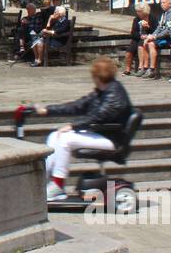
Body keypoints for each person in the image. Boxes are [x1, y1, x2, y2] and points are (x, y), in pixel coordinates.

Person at [35, 56, 133, 202]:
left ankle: (57, 185)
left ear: (97, 76)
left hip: (112, 139)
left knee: (65, 139)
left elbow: (99, 117)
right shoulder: (102, 92)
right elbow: (77, 106)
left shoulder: (115, 94)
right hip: (100, 133)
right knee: (54, 136)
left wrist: (72, 126)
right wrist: (48, 110)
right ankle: (43, 179)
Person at [140, 0, 171, 78]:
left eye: (163, 2)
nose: (161, 4)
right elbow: (159, 27)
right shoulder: (164, 13)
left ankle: (152, 69)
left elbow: (168, 30)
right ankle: (146, 68)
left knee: (151, 43)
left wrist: (155, 37)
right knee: (146, 42)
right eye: (161, 3)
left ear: (169, 4)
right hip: (164, 37)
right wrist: (152, 35)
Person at [124, 3, 150, 76]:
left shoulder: (151, 18)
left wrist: (148, 28)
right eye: (137, 11)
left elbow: (154, 30)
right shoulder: (136, 19)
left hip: (148, 38)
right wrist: (140, 36)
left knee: (141, 46)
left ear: (144, 11)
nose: (137, 13)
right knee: (129, 51)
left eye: (139, 11)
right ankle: (127, 69)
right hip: (137, 38)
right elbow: (133, 32)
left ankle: (141, 68)